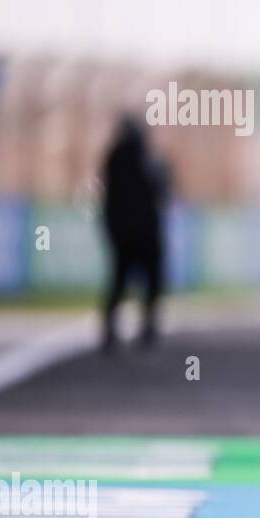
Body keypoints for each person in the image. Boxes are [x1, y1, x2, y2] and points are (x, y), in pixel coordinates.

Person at [101, 115, 167, 352]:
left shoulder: (114, 159)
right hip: (144, 233)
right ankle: (147, 329)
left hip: (124, 234)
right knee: (150, 282)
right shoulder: (147, 160)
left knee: (119, 281)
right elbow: (161, 193)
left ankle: (111, 331)